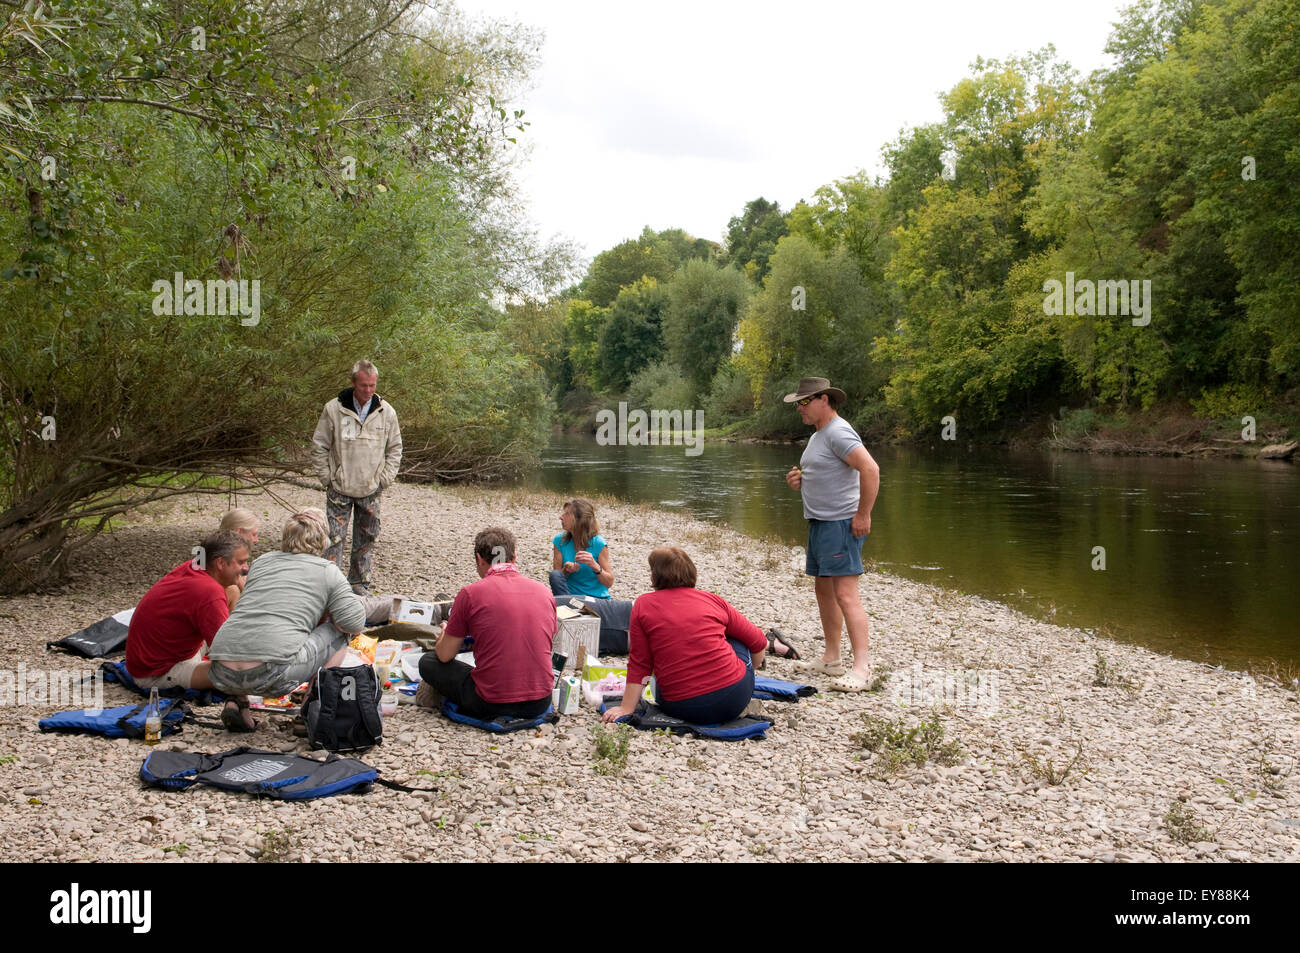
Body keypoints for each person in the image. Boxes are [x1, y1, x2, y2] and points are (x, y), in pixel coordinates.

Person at [207, 509, 366, 731]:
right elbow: (353, 623)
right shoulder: (327, 570)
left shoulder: (262, 562)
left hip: (220, 669)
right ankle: (310, 709)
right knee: (339, 633)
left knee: (253, 624)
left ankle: (237, 702)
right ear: (323, 540)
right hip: (272, 673)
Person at [783, 376, 880, 692]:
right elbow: (823, 472)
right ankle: (831, 658)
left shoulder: (839, 432)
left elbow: (871, 469)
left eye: (804, 401)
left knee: (845, 594)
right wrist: (800, 481)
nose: (800, 408)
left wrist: (863, 514)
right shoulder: (818, 436)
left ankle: (862, 670)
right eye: (798, 403)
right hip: (820, 523)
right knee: (823, 590)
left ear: (824, 399)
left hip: (841, 524)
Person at [602, 546, 767, 725]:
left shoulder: (643, 605)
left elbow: (640, 663)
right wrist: (754, 667)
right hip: (733, 699)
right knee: (734, 636)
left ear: (654, 577)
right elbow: (758, 641)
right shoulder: (712, 600)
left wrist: (626, 708)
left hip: (681, 706)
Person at [416, 527, 556, 720]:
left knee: (428, 662)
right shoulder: (544, 592)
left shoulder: (470, 594)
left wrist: (445, 632)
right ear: (514, 557)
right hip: (540, 701)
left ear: (479, 560)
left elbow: (444, 655)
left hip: (491, 703)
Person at [310, 359, 402, 594]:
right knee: (333, 539)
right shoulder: (333, 409)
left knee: (367, 539)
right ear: (353, 383)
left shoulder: (386, 411)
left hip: (371, 489)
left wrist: (385, 479)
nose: (368, 390)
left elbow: (395, 448)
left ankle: (359, 584)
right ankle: (330, 587)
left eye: (372, 385)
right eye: (363, 386)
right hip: (339, 487)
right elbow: (319, 445)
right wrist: (326, 478)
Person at [126, 530, 250, 692]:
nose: (246, 568)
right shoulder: (209, 592)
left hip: (158, 654)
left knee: (232, 589)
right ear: (220, 563)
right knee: (243, 674)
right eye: (241, 562)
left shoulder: (197, 566)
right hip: (156, 673)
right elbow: (228, 655)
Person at [547, 498, 630, 653]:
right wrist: (566, 571)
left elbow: (609, 582)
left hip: (595, 601)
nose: (561, 517)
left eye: (566, 514)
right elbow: (558, 578)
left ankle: (572, 623)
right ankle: (573, 619)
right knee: (555, 575)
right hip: (570, 599)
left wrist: (594, 566)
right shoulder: (560, 541)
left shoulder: (598, 543)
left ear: (579, 519)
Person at [218, 508, 260, 611]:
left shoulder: (215, 546)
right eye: (253, 534)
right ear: (239, 532)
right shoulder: (224, 558)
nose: (256, 540)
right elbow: (250, 595)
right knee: (234, 590)